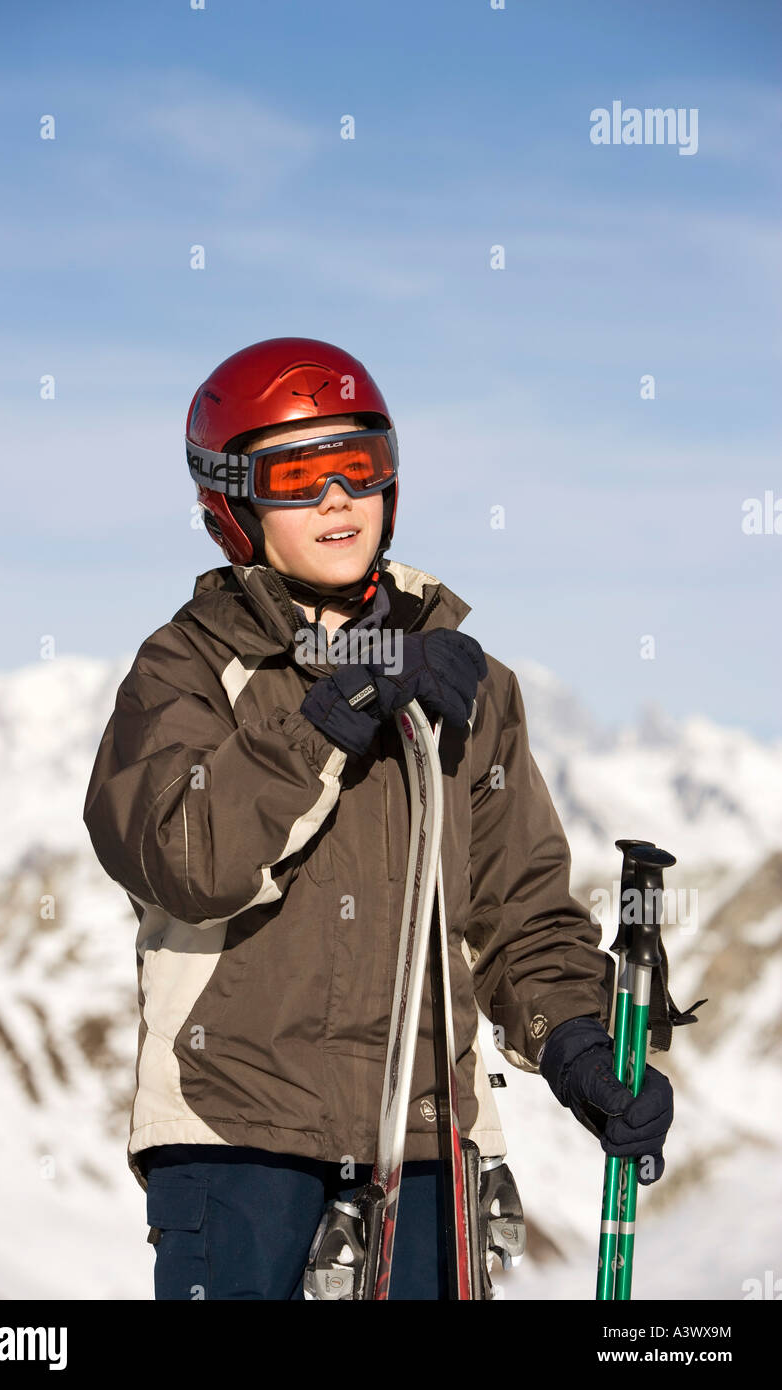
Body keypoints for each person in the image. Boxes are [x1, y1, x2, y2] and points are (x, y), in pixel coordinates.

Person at [83, 336, 674, 1301]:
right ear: (232, 504)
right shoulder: (187, 669)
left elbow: (519, 911)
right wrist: (336, 713)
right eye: (298, 473)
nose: (336, 499)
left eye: (359, 465)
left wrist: (577, 1042)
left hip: (434, 1141)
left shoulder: (464, 680)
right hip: (243, 1145)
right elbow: (184, 857)